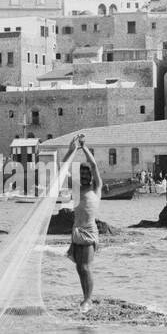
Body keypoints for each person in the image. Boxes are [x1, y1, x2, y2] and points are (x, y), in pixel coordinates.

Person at [64, 134, 103, 313]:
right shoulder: (76, 190)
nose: (86, 176)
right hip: (76, 231)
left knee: (86, 267)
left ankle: (88, 300)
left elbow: (94, 166)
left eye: (88, 174)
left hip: (89, 231)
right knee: (80, 268)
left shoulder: (97, 189)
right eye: (83, 174)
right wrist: (71, 151)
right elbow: (62, 167)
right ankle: (85, 298)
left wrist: (84, 147)